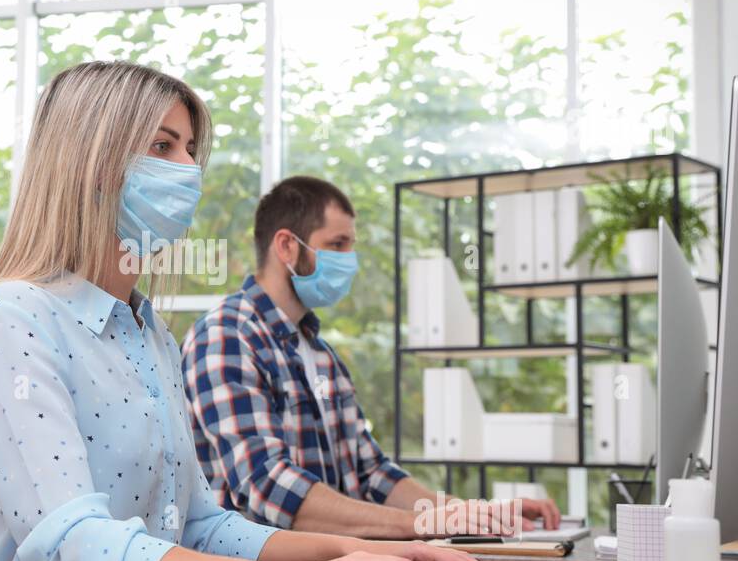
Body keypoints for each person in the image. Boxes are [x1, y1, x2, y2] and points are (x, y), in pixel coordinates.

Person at [0, 63, 493, 561]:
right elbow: (76, 547)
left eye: (191, 149)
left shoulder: (151, 335)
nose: (190, 169)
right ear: (89, 165)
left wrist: (364, 553)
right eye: (162, 146)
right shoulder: (18, 315)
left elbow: (199, 526)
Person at [181, 175, 562, 540]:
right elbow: (269, 488)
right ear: (286, 246)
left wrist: (471, 513)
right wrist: (419, 525)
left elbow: (371, 472)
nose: (351, 260)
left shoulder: (318, 352)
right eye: (338, 244)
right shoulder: (226, 336)